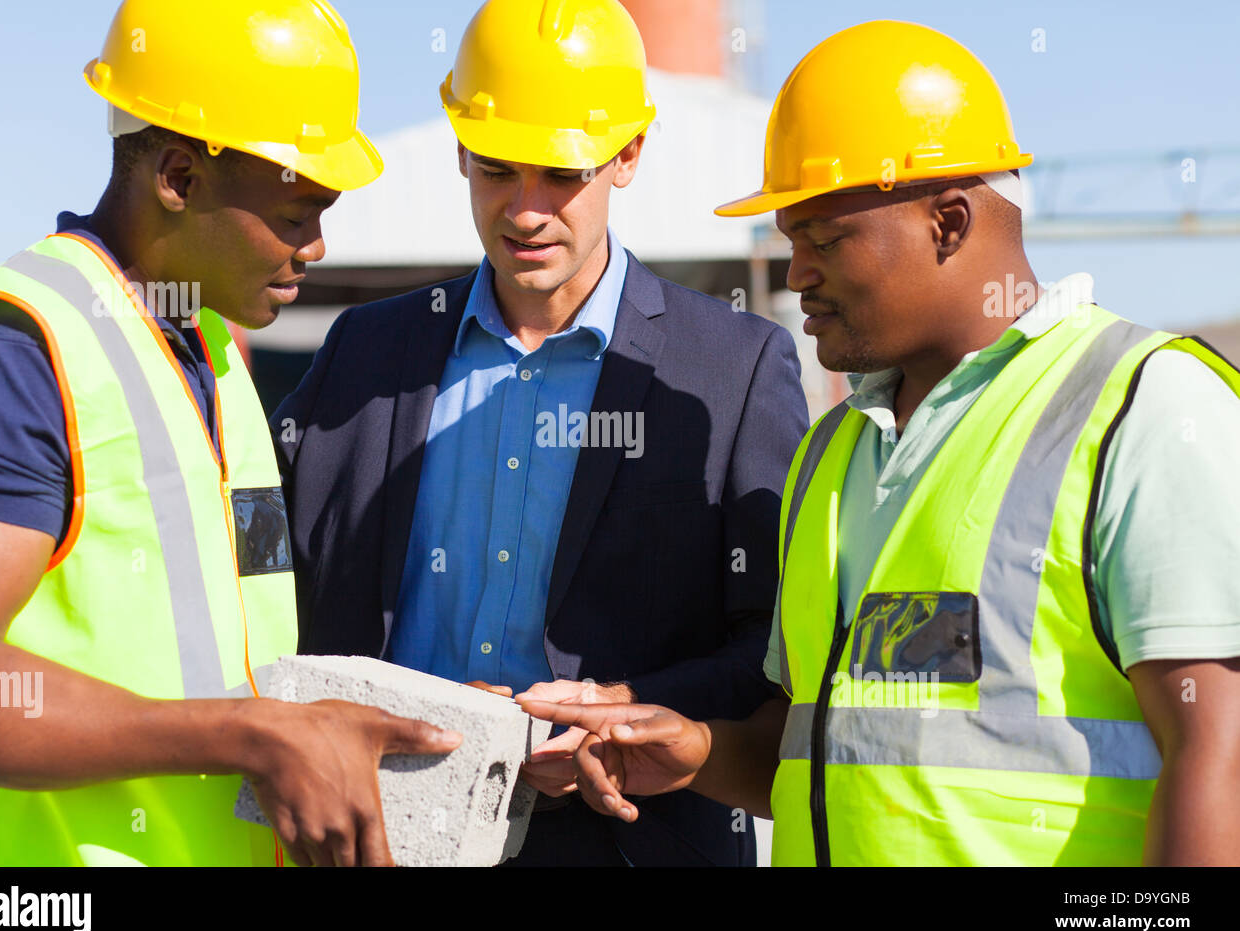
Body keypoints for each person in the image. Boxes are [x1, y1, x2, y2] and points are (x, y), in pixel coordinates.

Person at [519, 19, 1240, 866]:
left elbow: (1218, 753)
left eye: (824, 239)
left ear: (950, 222)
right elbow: (829, 757)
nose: (796, 276)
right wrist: (700, 751)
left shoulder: (1143, 408)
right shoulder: (834, 452)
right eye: (790, 242)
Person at [272, 0, 809, 866]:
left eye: (561, 175)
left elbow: (775, 644)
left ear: (628, 154)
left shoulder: (733, 369)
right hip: (382, 835)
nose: (525, 212)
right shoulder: (366, 353)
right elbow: (273, 594)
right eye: (496, 171)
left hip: (633, 845)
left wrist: (615, 709)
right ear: (458, 149)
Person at [0, 0, 460, 868]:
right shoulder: (15, 355)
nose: (319, 247)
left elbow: (235, 652)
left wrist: (408, 722)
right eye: (296, 216)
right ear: (179, 176)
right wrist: (247, 737)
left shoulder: (213, 354)